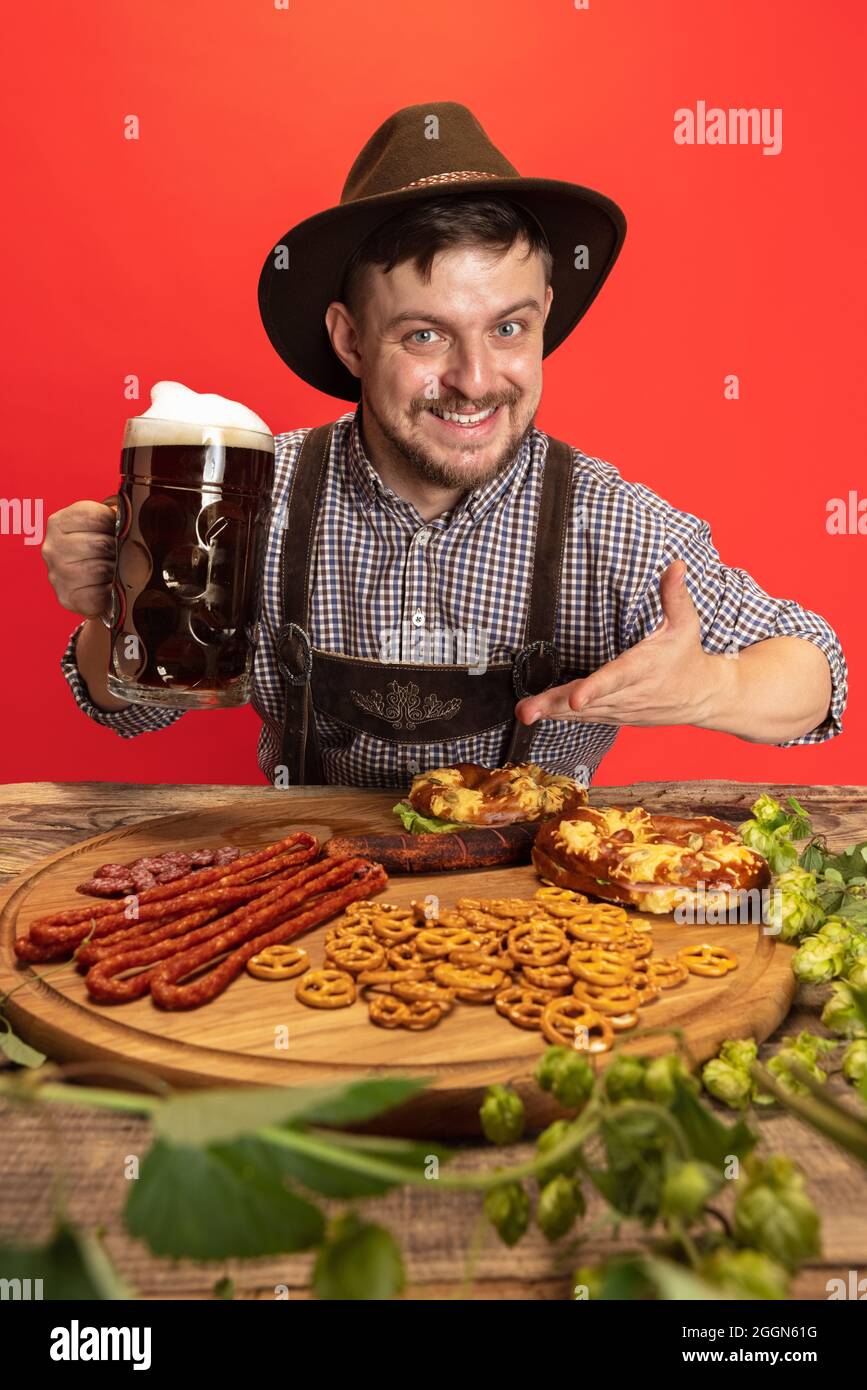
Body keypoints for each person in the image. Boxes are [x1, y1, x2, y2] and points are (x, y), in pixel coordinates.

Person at [42, 101, 847, 788]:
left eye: (508, 329)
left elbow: (815, 675)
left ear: (542, 317)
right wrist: (115, 604)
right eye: (425, 334)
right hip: (310, 894)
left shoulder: (609, 525)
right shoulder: (255, 498)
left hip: (540, 909)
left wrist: (712, 687)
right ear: (351, 341)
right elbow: (124, 707)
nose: (474, 379)